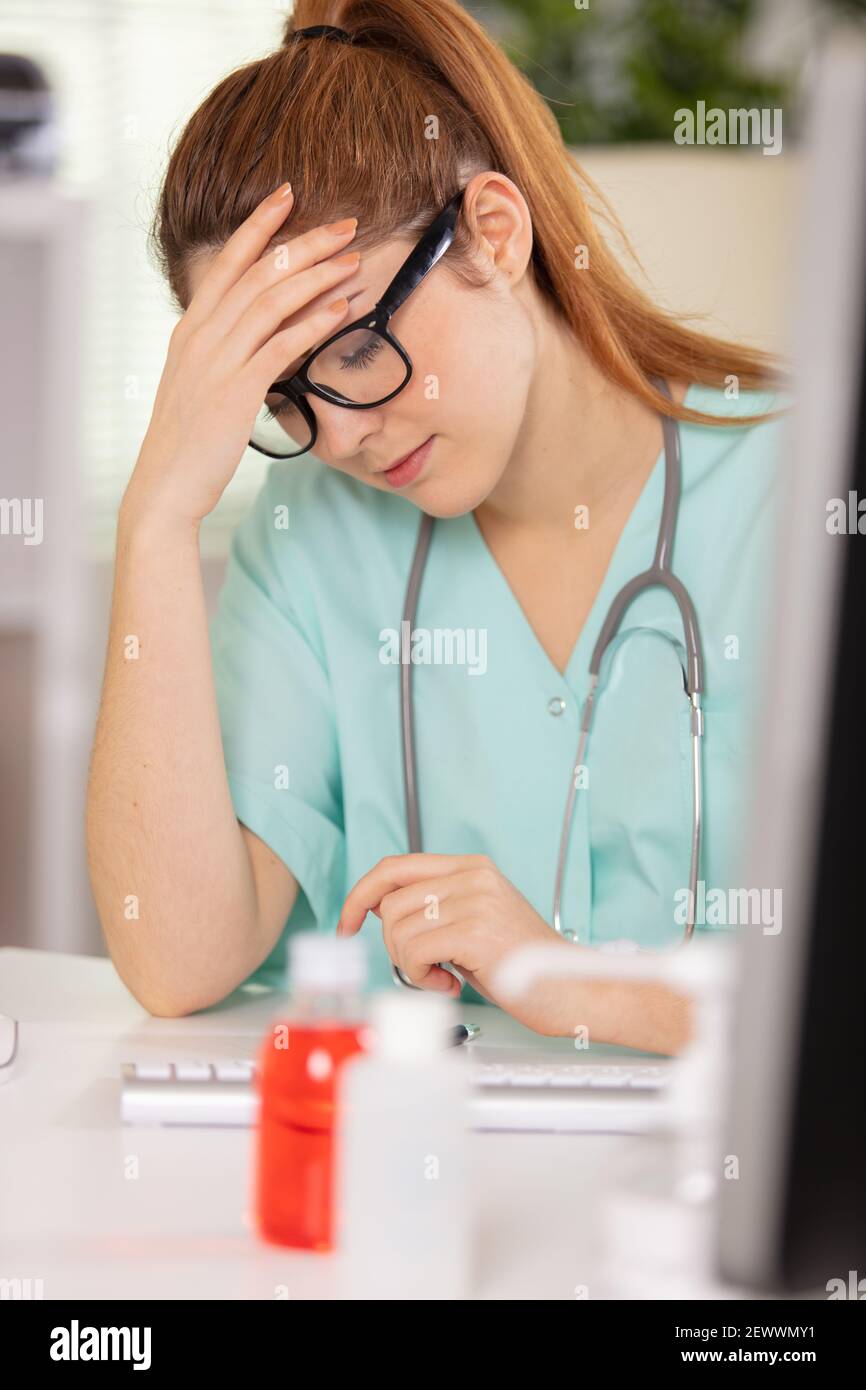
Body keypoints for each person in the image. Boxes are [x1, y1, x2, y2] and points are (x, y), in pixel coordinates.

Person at [86, 0, 787, 1055]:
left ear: (493, 235)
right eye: (282, 397)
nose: (339, 438)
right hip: (413, 1189)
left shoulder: (798, 495)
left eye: (358, 349)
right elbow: (177, 960)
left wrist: (569, 981)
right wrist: (157, 516)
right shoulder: (315, 531)